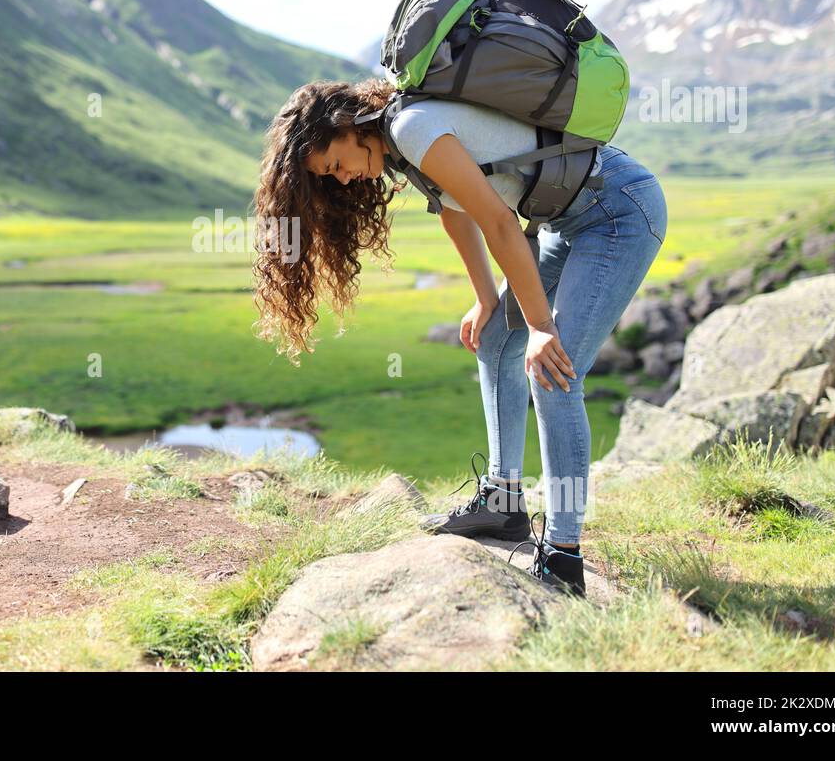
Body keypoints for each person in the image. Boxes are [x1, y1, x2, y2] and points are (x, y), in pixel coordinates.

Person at [250, 77, 668, 596]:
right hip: (564, 223)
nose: (343, 179)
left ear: (345, 125)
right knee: (496, 341)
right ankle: (503, 502)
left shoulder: (411, 126)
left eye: (335, 164)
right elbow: (457, 214)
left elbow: (497, 221)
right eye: (330, 177)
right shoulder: (404, 146)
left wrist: (540, 326)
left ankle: (563, 555)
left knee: (553, 368)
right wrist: (487, 298)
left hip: (617, 212)